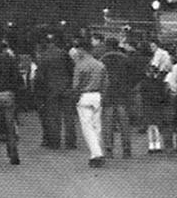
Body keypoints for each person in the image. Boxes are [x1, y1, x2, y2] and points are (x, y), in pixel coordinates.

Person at [34, 34, 77, 150]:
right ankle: (71, 142)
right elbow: (72, 70)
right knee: (69, 116)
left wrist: (39, 91)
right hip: (66, 88)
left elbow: (39, 77)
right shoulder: (64, 54)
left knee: (54, 116)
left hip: (51, 89)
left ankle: (55, 142)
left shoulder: (44, 56)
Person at [70, 39, 108, 167]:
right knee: (97, 126)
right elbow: (105, 83)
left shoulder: (80, 65)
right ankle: (95, 154)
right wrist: (102, 95)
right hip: (97, 96)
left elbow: (76, 85)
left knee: (87, 127)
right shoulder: (100, 64)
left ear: (81, 50)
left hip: (84, 96)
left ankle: (97, 154)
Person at [100, 38, 137, 158]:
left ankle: (109, 150)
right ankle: (126, 150)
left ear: (107, 46)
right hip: (123, 95)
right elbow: (133, 77)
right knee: (124, 123)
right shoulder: (126, 59)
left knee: (108, 123)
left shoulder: (103, 60)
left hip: (108, 95)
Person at [140, 40, 173, 154]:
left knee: (151, 126)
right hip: (157, 106)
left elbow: (142, 93)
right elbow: (163, 94)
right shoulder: (159, 83)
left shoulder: (144, 83)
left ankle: (151, 145)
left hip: (148, 106)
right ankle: (157, 145)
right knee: (157, 126)